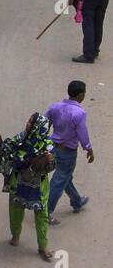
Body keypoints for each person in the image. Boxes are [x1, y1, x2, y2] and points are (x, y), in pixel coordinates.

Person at [0, 112, 56, 260]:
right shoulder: (20, 138)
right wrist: (0, 141)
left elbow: (52, 166)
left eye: (30, 122)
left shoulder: (47, 145)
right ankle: (15, 235)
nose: (27, 124)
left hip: (39, 187)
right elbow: (7, 150)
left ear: (37, 127)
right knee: (15, 211)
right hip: (18, 182)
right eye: (28, 121)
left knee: (42, 216)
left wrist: (48, 160)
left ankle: (43, 246)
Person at [45, 81, 94, 226]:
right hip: (68, 151)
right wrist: (89, 149)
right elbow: (82, 133)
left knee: (65, 177)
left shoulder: (56, 107)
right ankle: (46, 213)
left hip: (53, 146)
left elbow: (44, 122)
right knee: (59, 180)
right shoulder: (79, 112)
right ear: (80, 95)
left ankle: (77, 201)